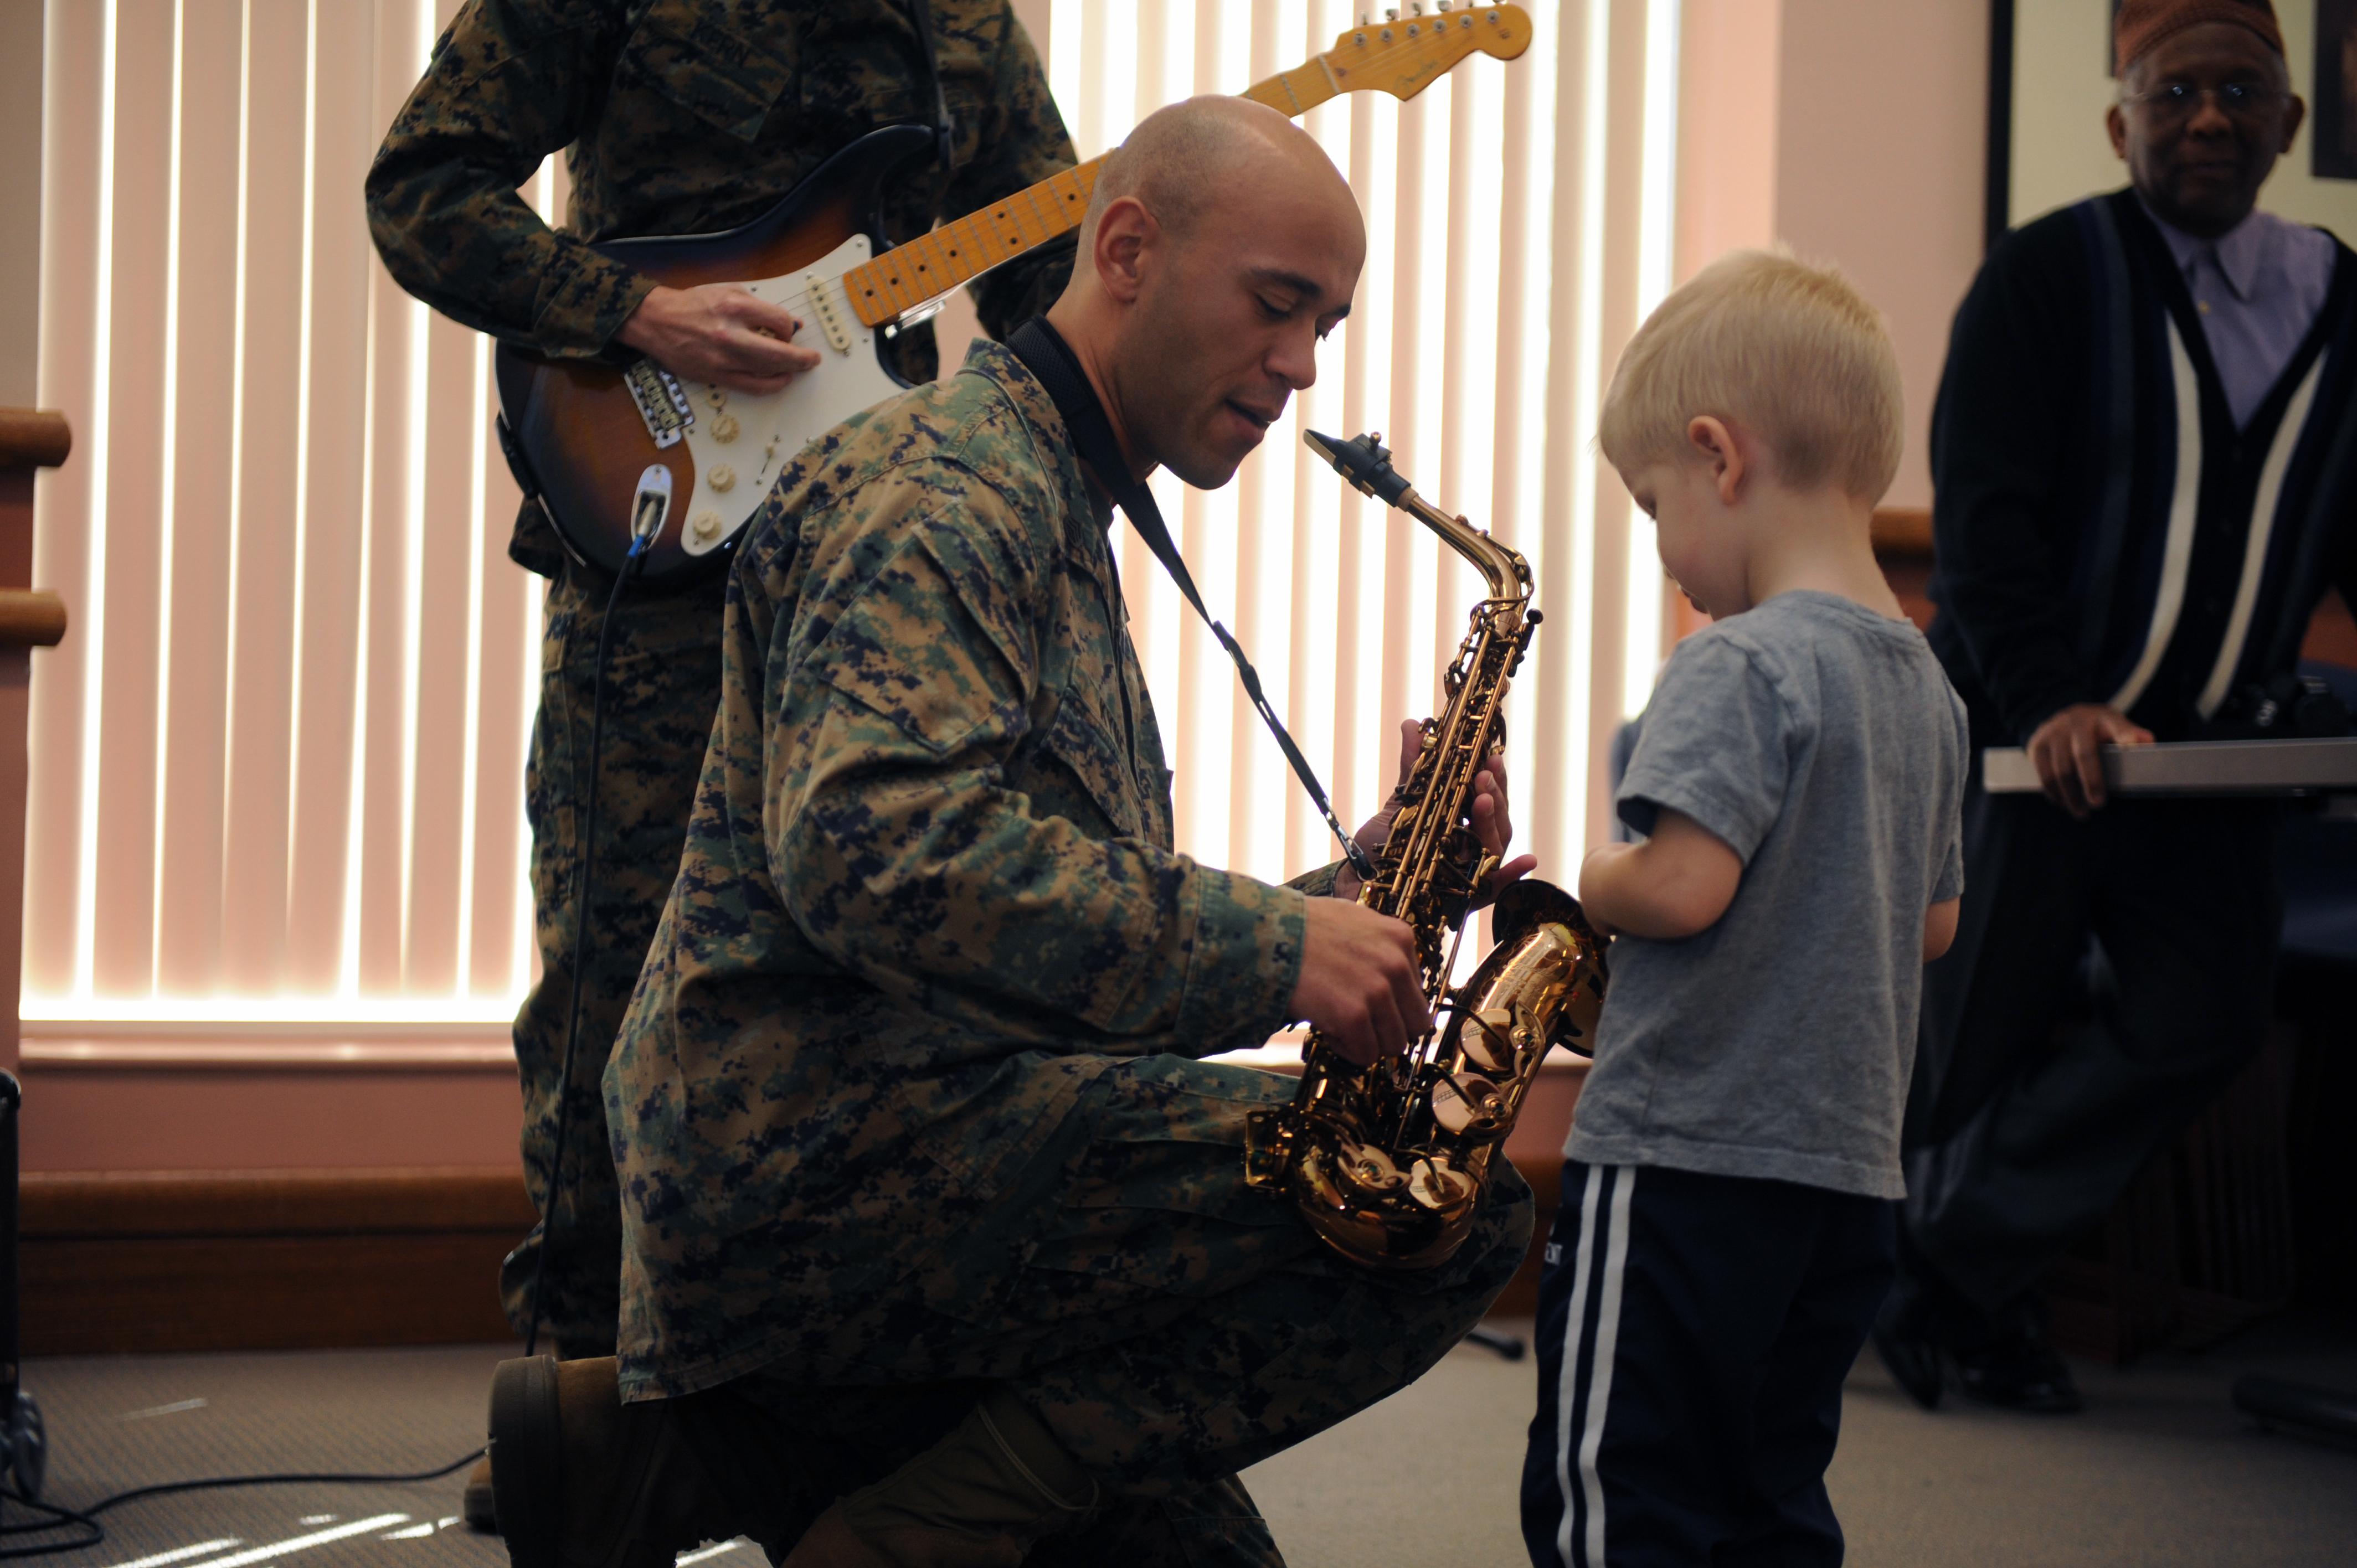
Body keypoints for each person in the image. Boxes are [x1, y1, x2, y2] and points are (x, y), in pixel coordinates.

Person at [481, 96, 1537, 1568]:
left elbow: (1060, 934)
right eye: (1276, 305)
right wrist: (1287, 947)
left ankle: (696, 1459)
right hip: (820, 1178)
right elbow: (880, 857)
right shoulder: (943, 488)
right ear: (1122, 248)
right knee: (1451, 1205)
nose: (1300, 367)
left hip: (938, 1149)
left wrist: (1366, 886)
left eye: (1328, 328)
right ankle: (870, 1514)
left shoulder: (1042, 490)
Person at [362, 1, 1076, 1528]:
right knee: (617, 970)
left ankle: (848, 1395)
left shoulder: (966, 17)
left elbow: (1041, 259)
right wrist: (634, 316)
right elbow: (424, 189)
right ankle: (582, 1393)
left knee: (890, 961)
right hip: (656, 520)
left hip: (880, 545)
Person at [1874, 0, 2357, 1415]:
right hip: (2029, 752)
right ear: (2119, 122)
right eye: (2172, 92)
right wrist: (2053, 702)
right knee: (1973, 1041)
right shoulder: (2042, 278)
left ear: (2290, 123)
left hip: (2205, 771)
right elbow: (1984, 522)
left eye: (2237, 91)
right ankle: (1957, 1299)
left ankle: (1942, 1261)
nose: (2205, 117)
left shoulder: (2343, 301)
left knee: (2201, 1016)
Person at [1519, 251, 1969, 1568]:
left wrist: (1590, 877)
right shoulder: (1926, 688)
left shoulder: (1736, 661)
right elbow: (1935, 928)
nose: (1668, 555)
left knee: (1621, 1488)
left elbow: (1677, 883)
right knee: (1772, 1490)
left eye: (1653, 505)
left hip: (1684, 1164)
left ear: (1719, 458)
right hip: (1845, 1181)